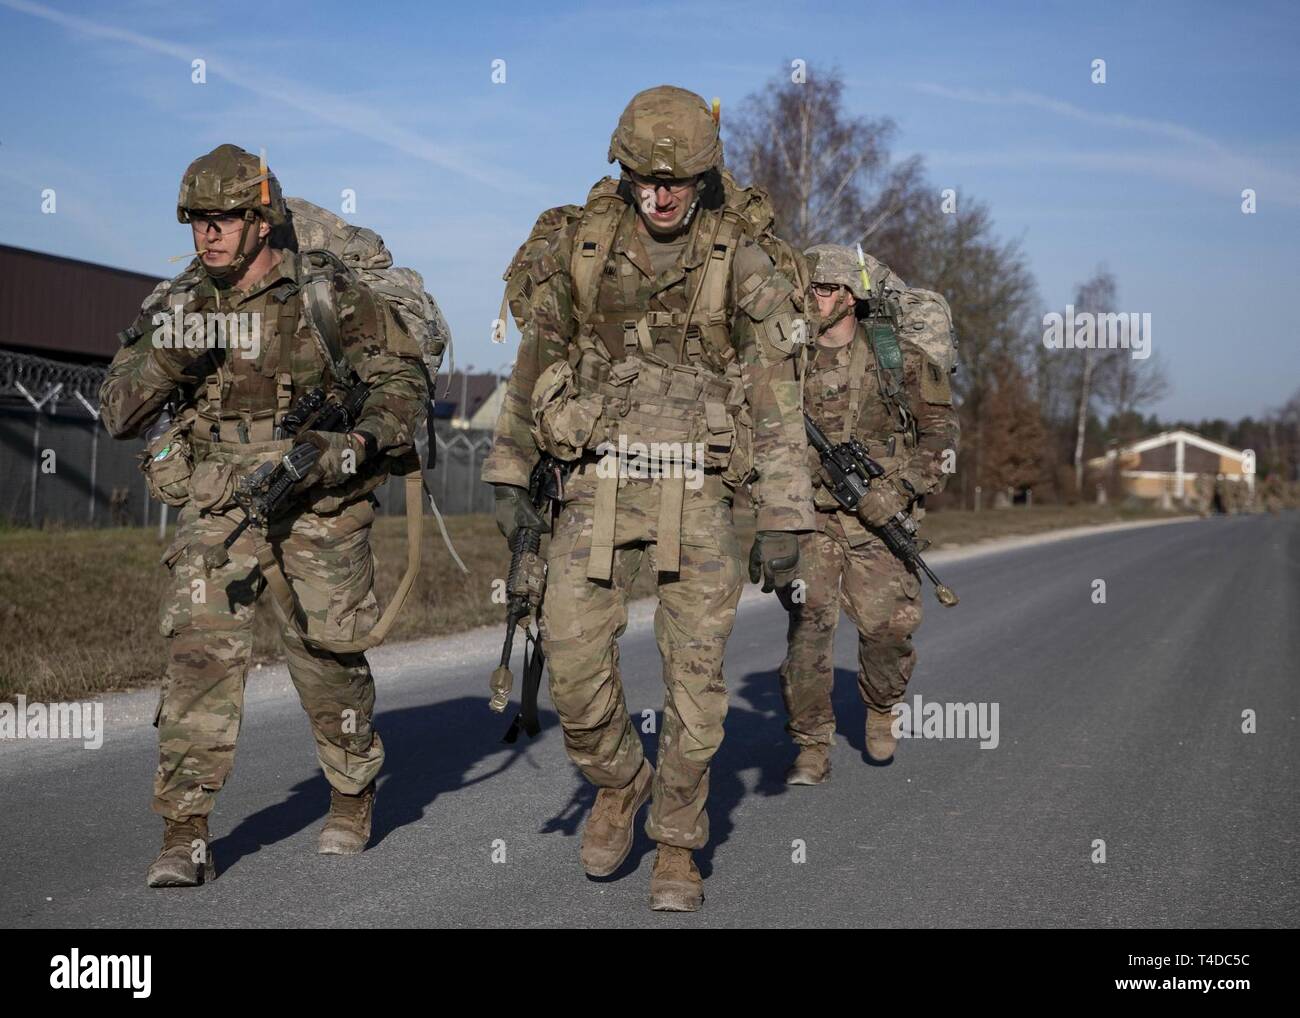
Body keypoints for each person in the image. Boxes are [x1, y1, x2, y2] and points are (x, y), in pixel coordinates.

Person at [483, 86, 814, 911]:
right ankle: (620, 780)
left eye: (678, 180)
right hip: (597, 478)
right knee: (570, 658)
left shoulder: (740, 259)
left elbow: (777, 396)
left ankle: (677, 843)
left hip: (697, 489)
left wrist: (781, 515)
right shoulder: (584, 246)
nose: (660, 195)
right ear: (622, 170)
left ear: (705, 176)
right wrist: (508, 471)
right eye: (643, 177)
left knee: (696, 682)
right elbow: (535, 361)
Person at [100, 144, 428, 886]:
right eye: (197, 220)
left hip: (319, 498)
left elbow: (401, 382)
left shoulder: (326, 293)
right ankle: (185, 830)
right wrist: (174, 356)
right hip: (220, 501)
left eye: (225, 218)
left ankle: (351, 790)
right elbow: (117, 410)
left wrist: (353, 445)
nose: (208, 234)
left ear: (260, 218)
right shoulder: (182, 303)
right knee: (199, 653)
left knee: (327, 657)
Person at [778, 244, 960, 784]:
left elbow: (941, 439)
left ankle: (882, 706)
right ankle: (811, 744)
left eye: (829, 289)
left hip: (878, 518)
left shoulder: (895, 357)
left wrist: (900, 489)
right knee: (808, 632)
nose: (818, 299)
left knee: (887, 630)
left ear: (853, 298)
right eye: (811, 289)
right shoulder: (790, 359)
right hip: (811, 516)